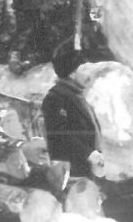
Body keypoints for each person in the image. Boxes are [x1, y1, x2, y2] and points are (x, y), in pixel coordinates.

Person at [41, 42, 106, 179]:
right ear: (71, 74)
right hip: (71, 173)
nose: (90, 74)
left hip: (89, 169)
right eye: (84, 69)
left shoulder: (79, 95)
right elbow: (59, 134)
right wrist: (89, 154)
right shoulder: (56, 97)